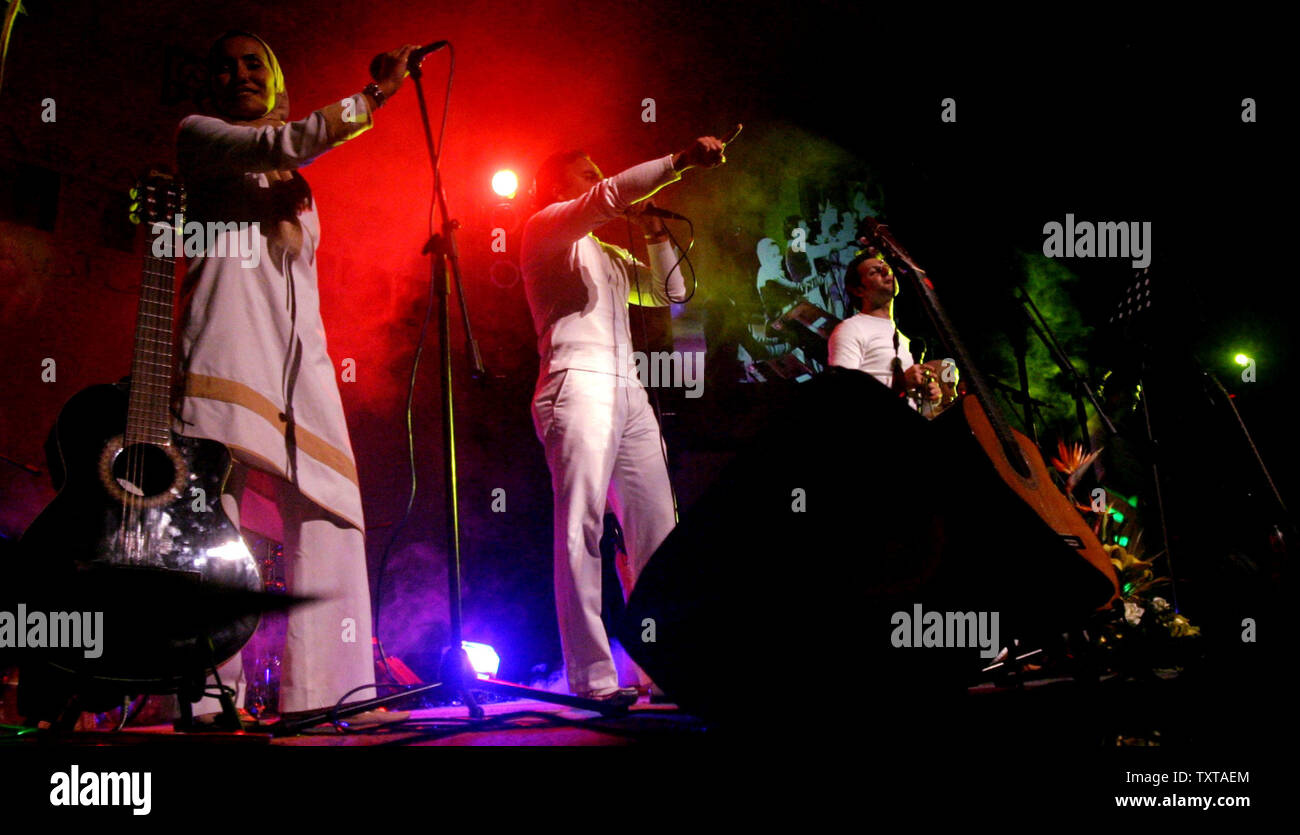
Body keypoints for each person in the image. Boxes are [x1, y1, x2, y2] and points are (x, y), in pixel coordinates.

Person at [174, 31, 414, 724]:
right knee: (211, 520)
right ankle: (208, 697)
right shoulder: (202, 137)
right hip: (224, 344)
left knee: (334, 506)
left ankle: (331, 690)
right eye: (225, 66)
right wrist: (371, 99)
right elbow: (278, 143)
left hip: (299, 359)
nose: (239, 73)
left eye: (255, 63)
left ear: (276, 82)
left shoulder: (297, 181)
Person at [522, 137, 726, 703]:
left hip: (627, 389)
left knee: (658, 531)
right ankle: (591, 677)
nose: (599, 176)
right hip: (575, 379)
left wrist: (658, 230)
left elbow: (672, 290)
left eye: (599, 170)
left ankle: (665, 667)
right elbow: (608, 195)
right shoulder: (545, 227)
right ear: (556, 188)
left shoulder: (608, 257)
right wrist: (677, 163)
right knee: (580, 527)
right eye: (584, 172)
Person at [827, 251, 941, 407]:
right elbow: (842, 394)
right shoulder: (851, 329)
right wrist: (899, 384)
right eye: (874, 272)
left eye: (885, 267)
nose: (886, 272)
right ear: (859, 290)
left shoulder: (902, 337)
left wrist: (928, 396)